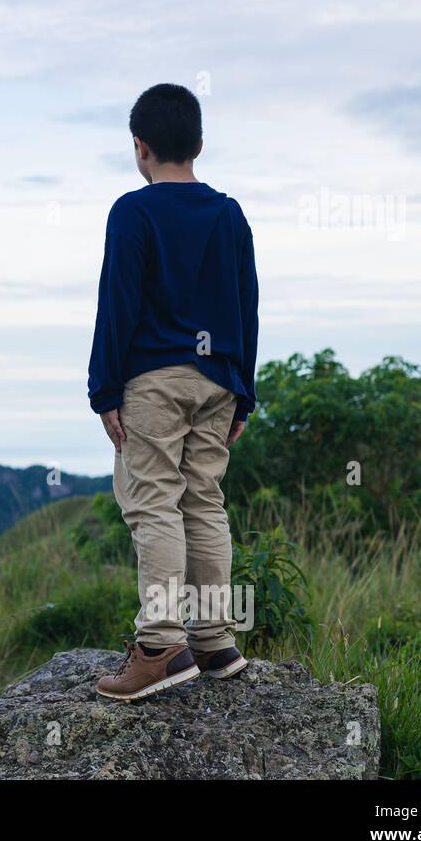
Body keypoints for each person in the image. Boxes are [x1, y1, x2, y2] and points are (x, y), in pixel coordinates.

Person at [88, 83, 259, 702]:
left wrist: (104, 387)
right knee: (204, 501)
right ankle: (214, 642)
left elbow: (119, 304)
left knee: (153, 502)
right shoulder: (229, 214)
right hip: (219, 379)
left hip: (154, 380)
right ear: (200, 144)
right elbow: (248, 305)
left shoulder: (133, 212)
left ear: (140, 147)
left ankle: (160, 646)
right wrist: (244, 390)